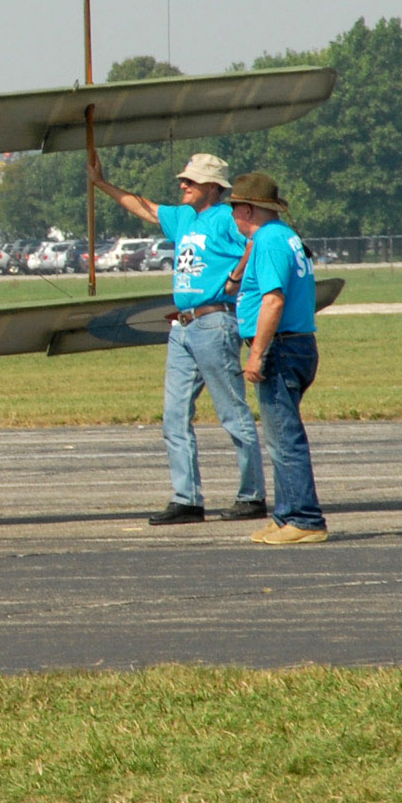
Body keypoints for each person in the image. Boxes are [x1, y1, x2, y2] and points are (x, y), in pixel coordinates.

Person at [89, 151, 266, 525]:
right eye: (183, 180)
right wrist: (101, 183)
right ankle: (186, 499)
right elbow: (147, 209)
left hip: (215, 322)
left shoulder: (227, 218)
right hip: (181, 328)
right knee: (173, 417)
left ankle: (252, 496)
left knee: (233, 412)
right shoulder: (184, 216)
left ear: (213, 187)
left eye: (191, 180)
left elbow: (260, 239)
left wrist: (235, 280)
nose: (182, 184)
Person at [229, 173, 328, 544]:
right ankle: (286, 514)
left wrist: (256, 354)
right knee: (278, 436)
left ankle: (305, 518)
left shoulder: (268, 240)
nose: (233, 216)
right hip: (298, 342)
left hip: (280, 347)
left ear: (249, 209)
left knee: (285, 437)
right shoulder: (283, 235)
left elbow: (273, 300)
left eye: (235, 208)